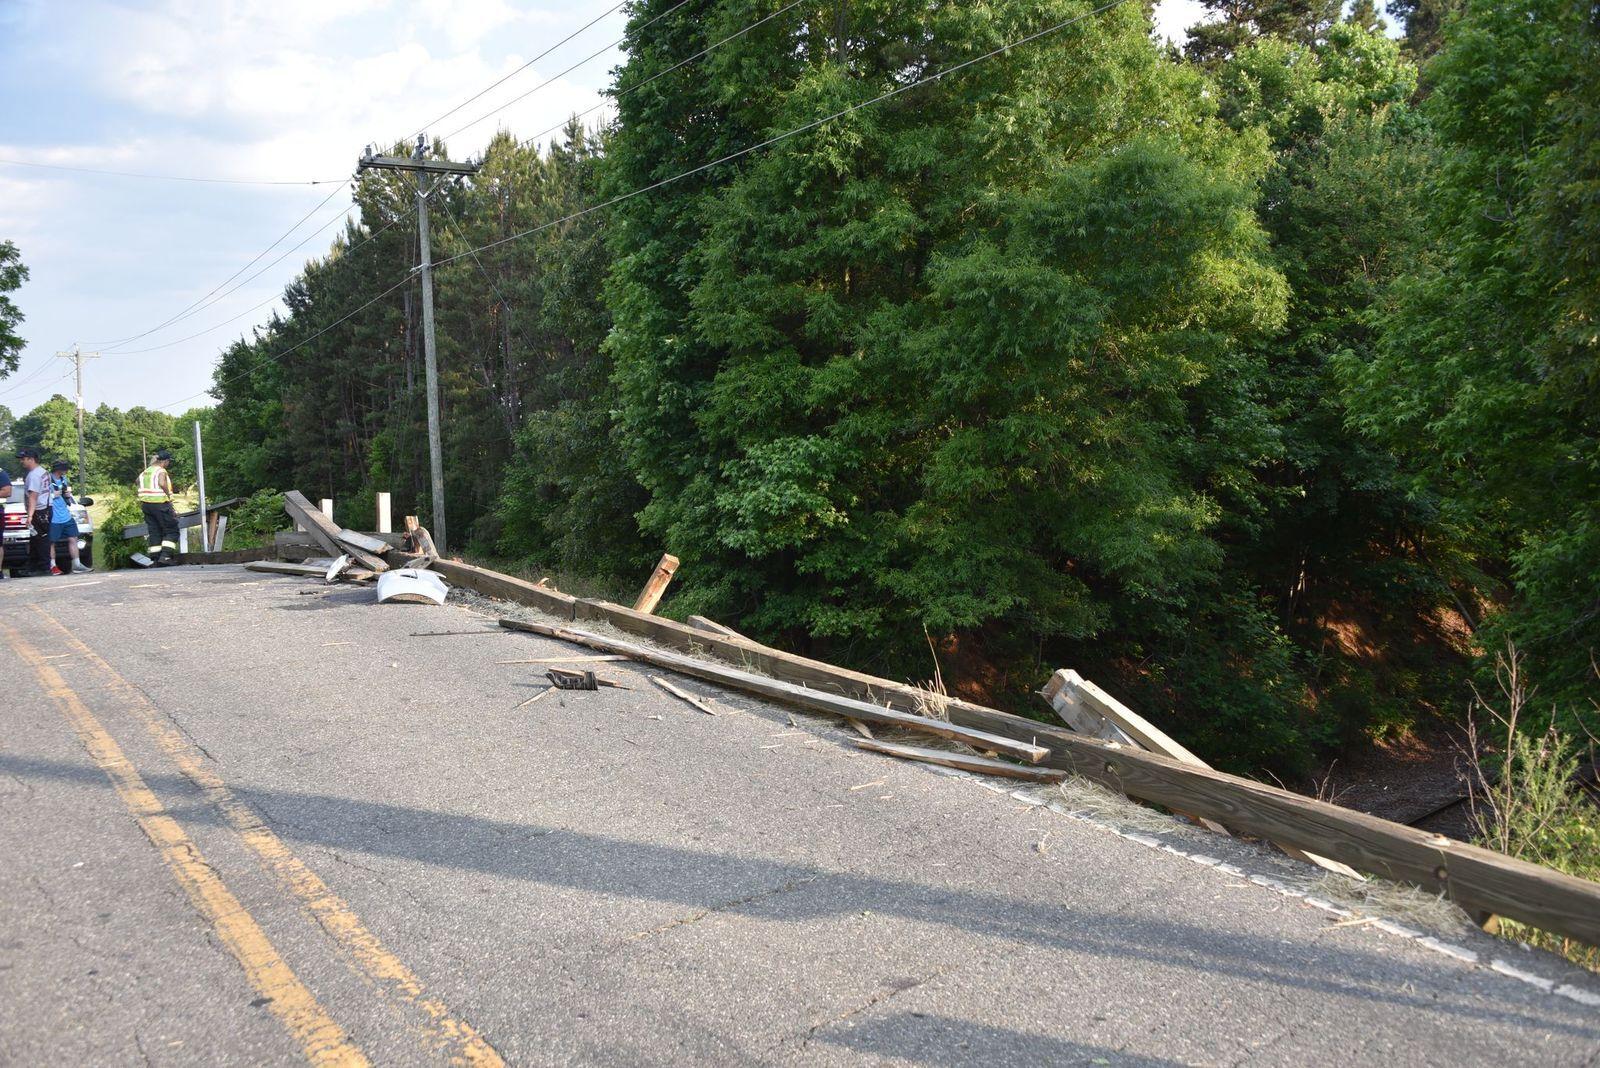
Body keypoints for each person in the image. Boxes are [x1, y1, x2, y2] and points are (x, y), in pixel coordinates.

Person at [47, 460, 92, 575]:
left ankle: (77, 564)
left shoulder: (63, 479)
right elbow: (42, 497)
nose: (66, 471)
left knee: (73, 538)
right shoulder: (48, 480)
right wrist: (53, 495)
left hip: (66, 515)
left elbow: (64, 493)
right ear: (58, 469)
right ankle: (52, 566)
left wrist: (66, 495)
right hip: (54, 517)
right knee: (52, 542)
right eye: (64, 469)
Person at [136, 450, 180, 566]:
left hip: (146, 505)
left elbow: (137, 481)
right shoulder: (161, 471)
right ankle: (165, 557)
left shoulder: (146, 471)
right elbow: (161, 483)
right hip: (160, 504)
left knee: (154, 531)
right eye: (168, 462)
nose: (168, 464)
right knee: (171, 529)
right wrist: (168, 494)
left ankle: (155, 558)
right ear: (164, 461)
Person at [17, 448, 51, 577]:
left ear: (31, 459)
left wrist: (30, 516)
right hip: (46, 508)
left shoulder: (34, 475)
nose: (22, 461)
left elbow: (33, 496)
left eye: (23, 459)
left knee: (40, 539)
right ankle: (32, 567)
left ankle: (44, 567)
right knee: (36, 539)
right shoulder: (43, 471)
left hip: (39, 511)